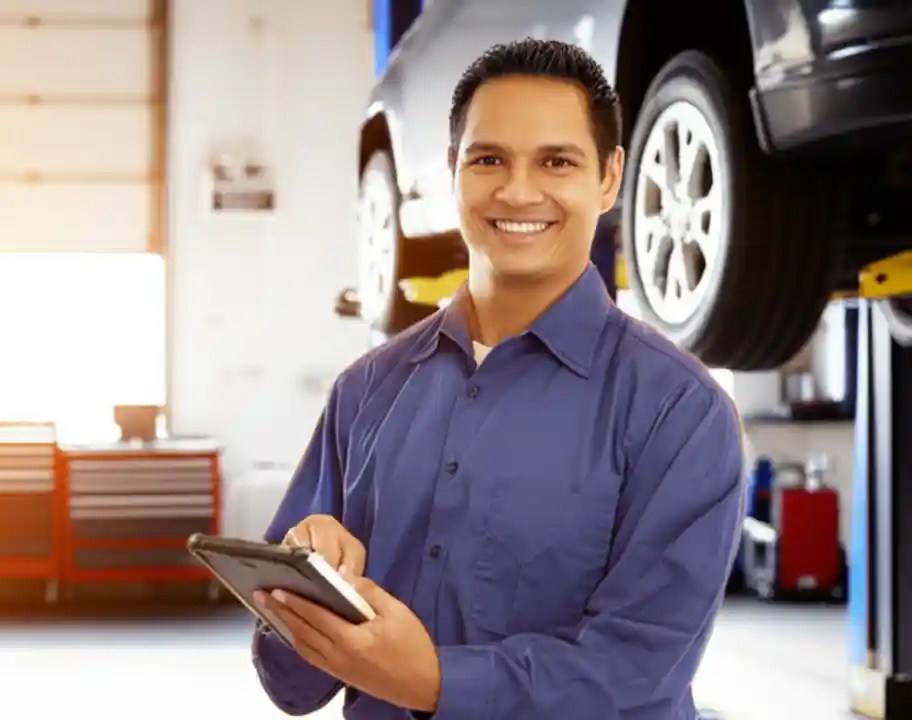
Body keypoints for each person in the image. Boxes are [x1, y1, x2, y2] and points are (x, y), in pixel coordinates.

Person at [249, 38, 745, 719]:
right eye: (488, 160)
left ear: (608, 178)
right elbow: (291, 686)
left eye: (556, 162)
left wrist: (431, 680)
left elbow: (637, 669)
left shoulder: (679, 413)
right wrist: (304, 590)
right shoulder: (366, 392)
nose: (517, 190)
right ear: (452, 170)